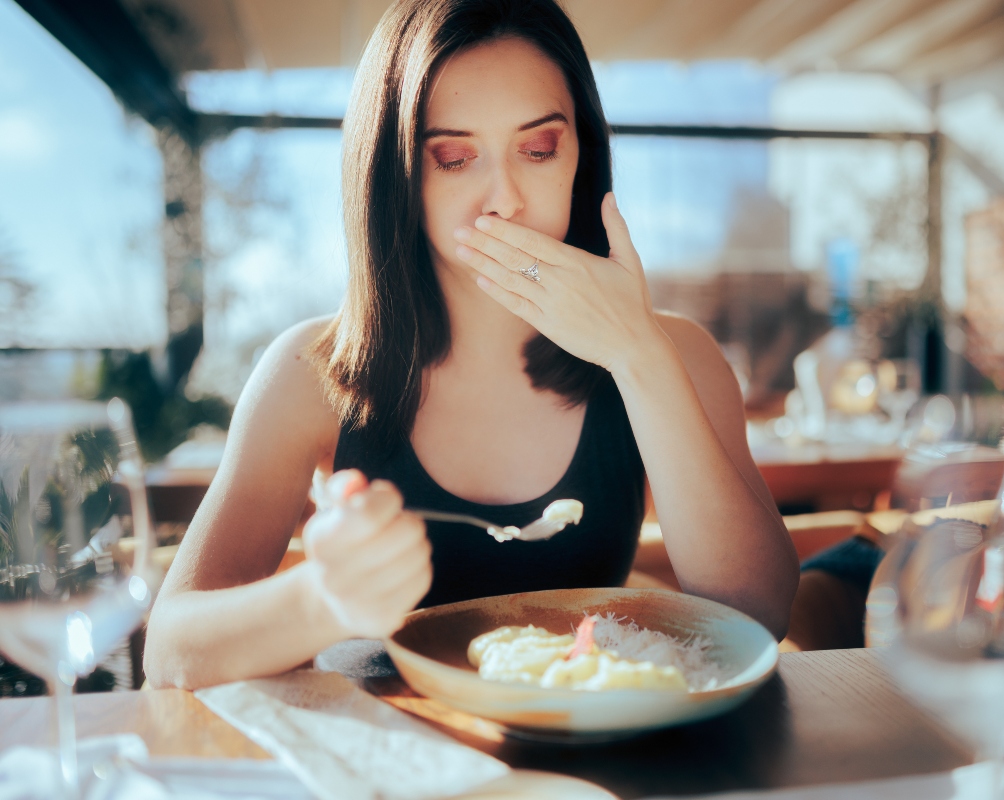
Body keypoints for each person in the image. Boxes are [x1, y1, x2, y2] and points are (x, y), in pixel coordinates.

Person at [143, 0, 798, 689]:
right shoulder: (311, 373)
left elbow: (757, 613)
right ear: (395, 179)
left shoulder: (675, 354)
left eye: (539, 149)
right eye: (455, 158)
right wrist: (318, 601)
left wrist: (637, 355)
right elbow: (170, 652)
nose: (503, 199)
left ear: (583, 155)